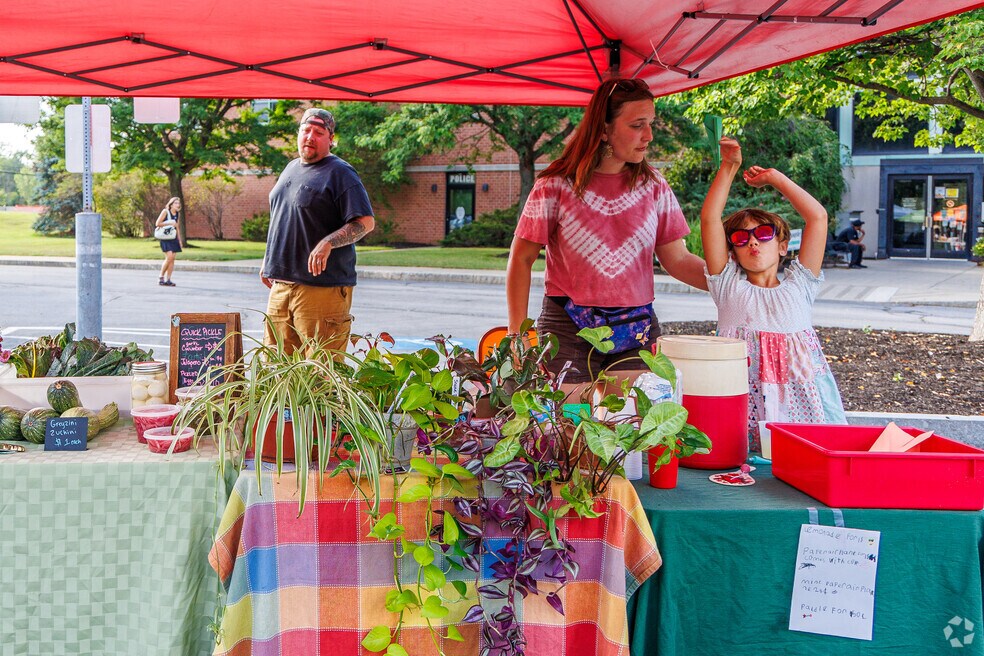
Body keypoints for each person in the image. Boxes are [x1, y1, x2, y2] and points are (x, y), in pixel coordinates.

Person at [506, 77, 707, 390]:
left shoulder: (654, 186)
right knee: (572, 432)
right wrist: (516, 334)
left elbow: (678, 259)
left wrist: (732, 282)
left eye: (651, 123)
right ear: (602, 129)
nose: (650, 135)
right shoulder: (554, 186)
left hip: (635, 327)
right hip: (568, 325)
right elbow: (521, 259)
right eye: (638, 125)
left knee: (633, 430)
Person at [701, 137, 846, 453]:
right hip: (743, 395)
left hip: (800, 400)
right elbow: (710, 219)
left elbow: (817, 217)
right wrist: (729, 167)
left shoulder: (800, 285)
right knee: (743, 464)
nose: (753, 243)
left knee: (804, 460)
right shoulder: (728, 287)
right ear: (732, 252)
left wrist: (774, 178)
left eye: (764, 234)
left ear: (783, 246)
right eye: (741, 238)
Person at [260, 107, 375, 355]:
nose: (310, 136)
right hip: (281, 286)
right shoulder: (290, 168)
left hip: (320, 290)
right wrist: (268, 259)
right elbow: (283, 216)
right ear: (298, 134)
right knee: (277, 367)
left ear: (331, 139)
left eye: (319, 132)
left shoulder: (340, 172)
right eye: (306, 130)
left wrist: (328, 243)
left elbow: (365, 222)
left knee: (320, 370)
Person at [155, 197, 182, 287]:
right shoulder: (165, 212)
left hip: (173, 238)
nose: (178, 205)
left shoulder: (177, 214)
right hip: (165, 238)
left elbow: (177, 227)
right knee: (169, 257)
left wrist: (179, 240)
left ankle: (168, 279)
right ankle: (161, 277)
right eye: (176, 203)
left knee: (172, 259)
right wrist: (169, 223)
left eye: (178, 203)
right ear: (171, 204)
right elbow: (157, 223)